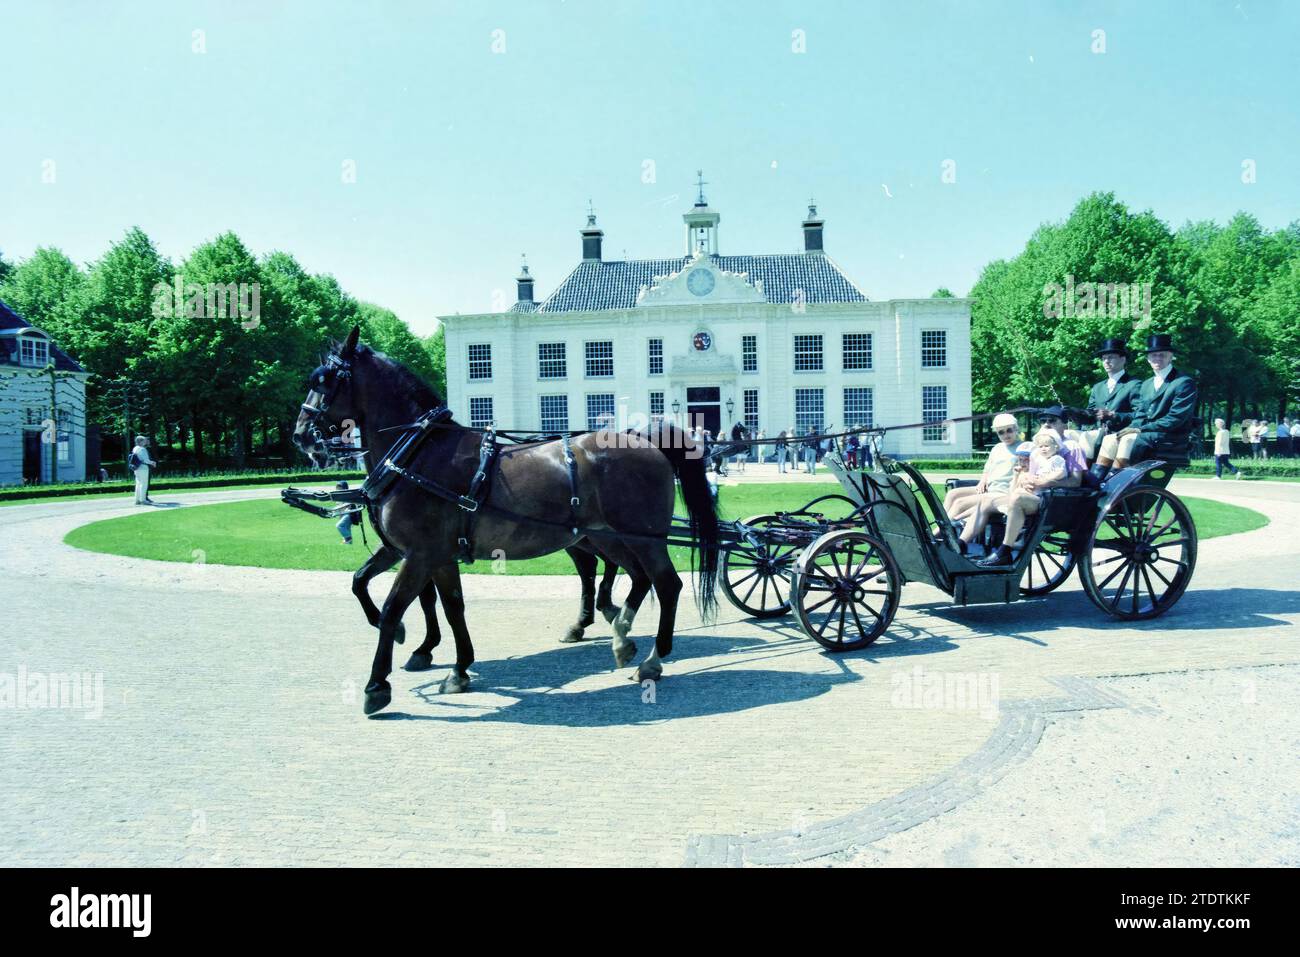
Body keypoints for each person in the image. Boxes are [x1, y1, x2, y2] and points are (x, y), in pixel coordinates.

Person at [1092, 333, 1198, 480]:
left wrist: (1139, 429)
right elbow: (1140, 414)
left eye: (1162, 355)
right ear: (1148, 359)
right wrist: (1129, 428)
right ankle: (1096, 479)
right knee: (1112, 438)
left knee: (1128, 439)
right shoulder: (1147, 384)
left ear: (1171, 356)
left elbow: (1176, 418)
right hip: (1148, 433)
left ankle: (1115, 480)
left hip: (1170, 435)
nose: (1157, 359)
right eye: (1154, 355)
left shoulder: (1183, 382)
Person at [981, 432, 1070, 566]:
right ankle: (970, 541)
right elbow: (1029, 474)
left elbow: (1061, 472)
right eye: (1041, 446)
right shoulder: (1039, 460)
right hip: (1035, 494)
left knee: (1017, 497)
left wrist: (1045, 480)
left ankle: (1005, 550)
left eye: (1047, 446)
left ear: (1056, 447)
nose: (1043, 448)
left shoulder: (1057, 460)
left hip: (1048, 498)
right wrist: (1024, 477)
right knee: (993, 500)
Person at [947, 412, 1021, 554]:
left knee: (960, 503)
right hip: (990, 488)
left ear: (1016, 429)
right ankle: (941, 527)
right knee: (953, 493)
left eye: (1009, 430)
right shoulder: (997, 448)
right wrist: (982, 481)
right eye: (1001, 432)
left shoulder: (1023, 448)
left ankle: (939, 535)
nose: (1006, 435)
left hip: (1003, 492)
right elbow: (988, 468)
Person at [1076, 338, 1143, 466]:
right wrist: (1076, 415)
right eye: (1103, 358)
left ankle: (1094, 476)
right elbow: (1090, 414)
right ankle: (1079, 474)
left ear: (1123, 359)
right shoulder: (1098, 387)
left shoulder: (1134, 384)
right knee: (1068, 435)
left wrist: (1114, 415)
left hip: (1121, 433)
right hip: (1098, 432)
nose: (1106, 361)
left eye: (1111, 357)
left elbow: (1140, 414)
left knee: (1091, 438)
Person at [128, 434, 156, 505]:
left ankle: (137, 500)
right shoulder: (142, 449)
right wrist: (152, 462)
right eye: (144, 441)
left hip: (136, 468)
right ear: (140, 441)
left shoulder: (135, 448)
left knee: (138, 484)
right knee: (144, 484)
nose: (145, 442)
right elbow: (145, 460)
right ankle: (143, 500)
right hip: (143, 468)